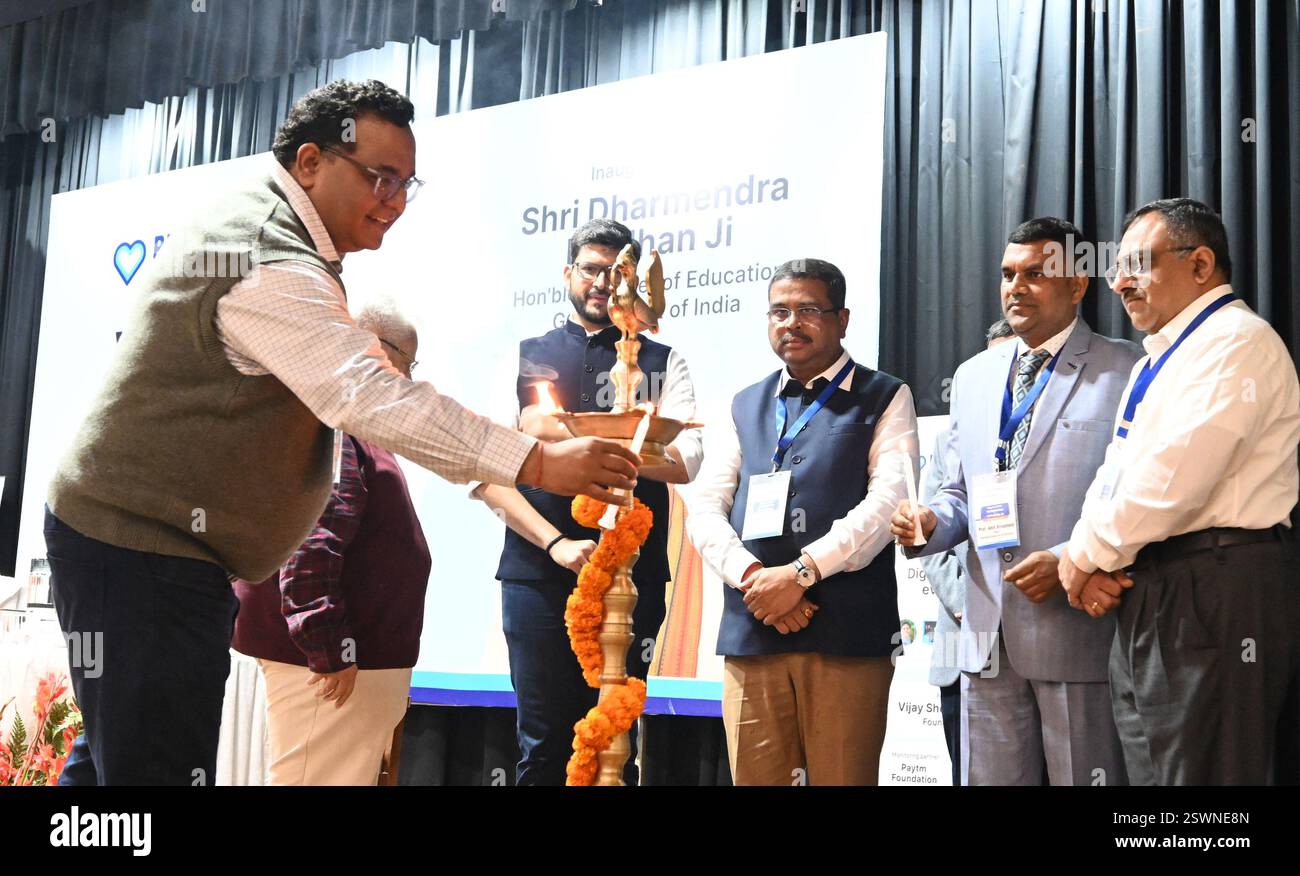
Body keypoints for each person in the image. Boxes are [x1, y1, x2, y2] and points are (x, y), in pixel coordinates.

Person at [42, 79, 640, 786]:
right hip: (141, 550)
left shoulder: (276, 231)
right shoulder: (270, 255)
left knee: (112, 773)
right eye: (379, 176)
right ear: (309, 162)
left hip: (147, 550)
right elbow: (370, 396)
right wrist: (536, 460)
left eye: (406, 183)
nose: (393, 199)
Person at [1058, 197, 1300, 785]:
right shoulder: (1157, 360)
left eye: (1138, 263)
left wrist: (1086, 558)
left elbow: (1173, 481)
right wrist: (1084, 558)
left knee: (1207, 784)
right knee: (1157, 779)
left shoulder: (1236, 340)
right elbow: (1116, 471)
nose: (1117, 282)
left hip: (1215, 584)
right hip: (1154, 582)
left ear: (1200, 265)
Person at [892, 217, 1141, 786]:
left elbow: (1140, 494)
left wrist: (1070, 558)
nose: (1016, 287)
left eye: (1036, 273)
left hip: (1077, 626)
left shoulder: (1124, 368)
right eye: (1007, 274)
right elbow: (956, 491)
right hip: (984, 637)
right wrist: (929, 522)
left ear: (1078, 284)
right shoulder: (974, 376)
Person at [473, 219, 702, 785]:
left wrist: (592, 447)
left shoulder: (663, 360)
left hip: (634, 573)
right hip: (537, 574)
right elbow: (483, 473)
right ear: (568, 274)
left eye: (616, 272)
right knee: (545, 742)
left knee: (616, 739)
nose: (603, 284)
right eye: (592, 270)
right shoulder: (527, 358)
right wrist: (554, 543)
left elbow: (689, 458)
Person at [686, 257, 917, 786]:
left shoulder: (885, 394)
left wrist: (799, 574)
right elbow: (705, 508)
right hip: (754, 628)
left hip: (846, 632)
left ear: (843, 319)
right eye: (779, 311)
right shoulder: (743, 403)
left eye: (808, 310)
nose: (791, 323)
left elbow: (888, 504)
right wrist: (754, 580)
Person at [230, 299, 428, 784]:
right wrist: (328, 645)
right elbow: (310, 541)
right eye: (408, 362)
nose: (407, 378)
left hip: (351, 667)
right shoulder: (332, 418)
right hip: (331, 668)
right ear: (372, 348)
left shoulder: (349, 422)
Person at [918, 316, 1014, 786]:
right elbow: (931, 540)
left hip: (1045, 630)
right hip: (965, 643)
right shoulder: (947, 442)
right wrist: (976, 603)